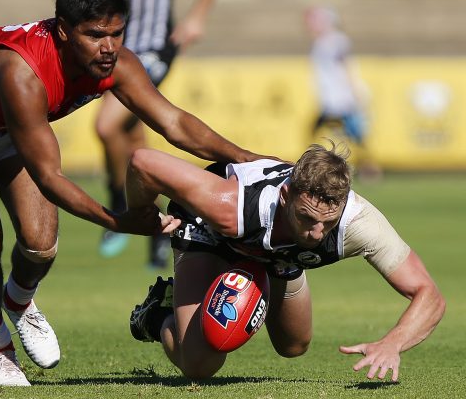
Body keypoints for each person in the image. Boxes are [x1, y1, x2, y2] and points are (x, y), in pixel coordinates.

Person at [0, 0, 263, 387]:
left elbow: (174, 122)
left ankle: (18, 300)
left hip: (10, 125)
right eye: (95, 35)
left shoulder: (116, 62)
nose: (109, 47)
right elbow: (49, 177)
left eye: (117, 33)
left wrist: (247, 158)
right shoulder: (21, 72)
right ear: (64, 31)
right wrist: (119, 222)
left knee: (41, 245)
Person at [125, 143, 445, 381]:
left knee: (293, 346)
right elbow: (144, 161)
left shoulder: (360, 225)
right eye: (306, 218)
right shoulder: (231, 205)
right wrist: (144, 217)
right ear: (285, 196)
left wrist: (393, 343)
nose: (317, 233)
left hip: (278, 253)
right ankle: (158, 314)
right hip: (210, 235)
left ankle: (274, 266)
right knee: (199, 366)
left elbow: (428, 294)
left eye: (328, 222)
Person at [60, 0, 226, 269]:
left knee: (106, 126)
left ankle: (119, 202)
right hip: (110, 50)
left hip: (152, 51)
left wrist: (197, 16)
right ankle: (156, 228)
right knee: (132, 136)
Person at [305, 6, 380, 181]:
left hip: (340, 100)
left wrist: (356, 90)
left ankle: (371, 169)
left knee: (355, 136)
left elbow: (346, 66)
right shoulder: (322, 42)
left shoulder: (336, 40)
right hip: (330, 100)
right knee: (323, 133)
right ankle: (368, 168)